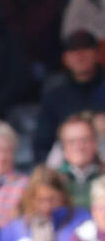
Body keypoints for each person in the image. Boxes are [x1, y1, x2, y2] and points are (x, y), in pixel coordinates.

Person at [0, 165, 84, 241]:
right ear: (31, 198)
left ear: (63, 196)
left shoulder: (80, 221)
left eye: (51, 199)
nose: (47, 206)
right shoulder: (16, 227)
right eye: (40, 200)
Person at [34, 31, 105, 162]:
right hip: (65, 165)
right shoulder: (55, 95)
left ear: (97, 54)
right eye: (73, 50)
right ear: (65, 59)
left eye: (85, 49)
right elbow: (42, 144)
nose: (80, 55)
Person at [0, 0, 63, 87]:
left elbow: (55, 49)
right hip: (5, 67)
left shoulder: (52, 7)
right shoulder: (0, 3)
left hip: (39, 69)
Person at [50, 115, 103, 208]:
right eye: (71, 141)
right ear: (62, 147)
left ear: (95, 143)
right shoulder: (52, 180)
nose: (79, 147)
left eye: (85, 140)